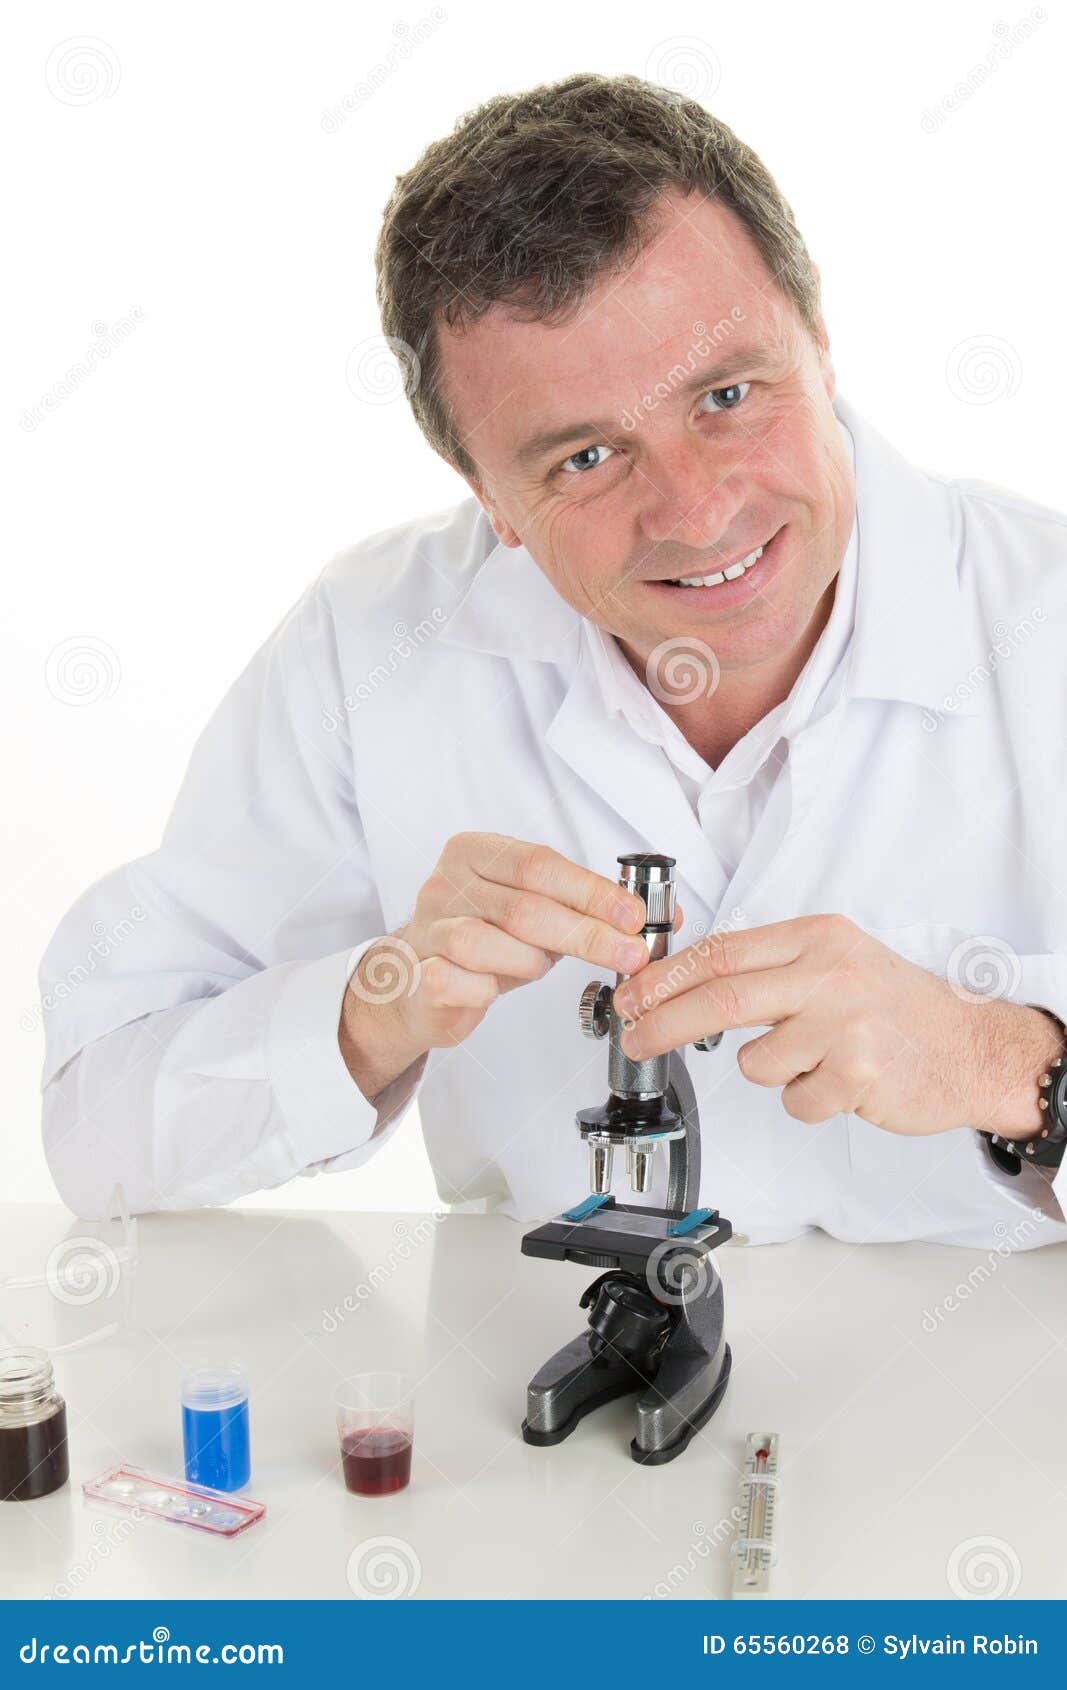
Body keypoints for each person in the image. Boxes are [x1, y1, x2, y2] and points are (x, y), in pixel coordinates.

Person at [39, 74, 1067, 1248]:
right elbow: (94, 1128)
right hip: (550, 1399)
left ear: (820, 343)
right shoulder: (370, 648)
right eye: (584, 458)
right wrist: (370, 1011)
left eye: (726, 395)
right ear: (490, 500)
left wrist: (1013, 1067)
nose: (693, 509)